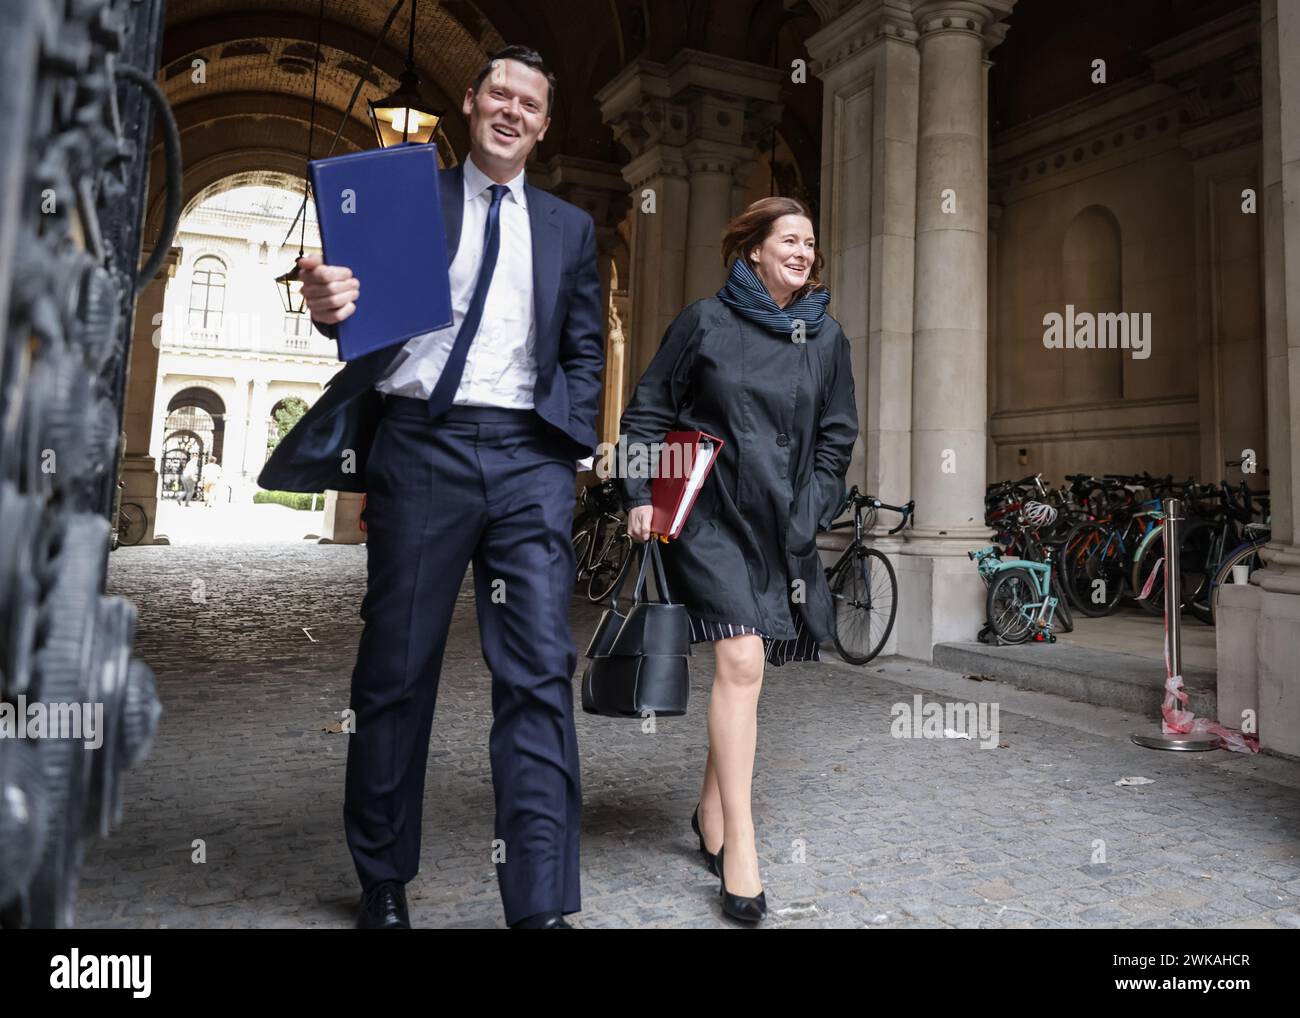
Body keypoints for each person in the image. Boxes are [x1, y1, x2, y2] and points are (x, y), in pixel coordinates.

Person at [259, 46, 604, 929]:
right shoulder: (410, 200)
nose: (513, 110)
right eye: (500, 92)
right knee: (396, 672)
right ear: (470, 100)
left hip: (529, 459)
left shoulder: (569, 226)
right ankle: (382, 876)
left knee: (536, 677)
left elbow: (582, 351)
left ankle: (540, 904)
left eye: (531, 101)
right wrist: (328, 300)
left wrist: (564, 447)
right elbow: (351, 305)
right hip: (422, 447)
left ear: (544, 124)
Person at [619, 196, 858, 924]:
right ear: (752, 248)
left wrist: (812, 506)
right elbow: (650, 408)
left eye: (811, 242)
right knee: (744, 661)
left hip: (778, 527)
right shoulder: (705, 322)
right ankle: (742, 848)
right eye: (789, 239)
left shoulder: (827, 337)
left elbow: (837, 437)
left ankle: (708, 809)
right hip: (709, 515)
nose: (803, 251)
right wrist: (640, 489)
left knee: (743, 676)